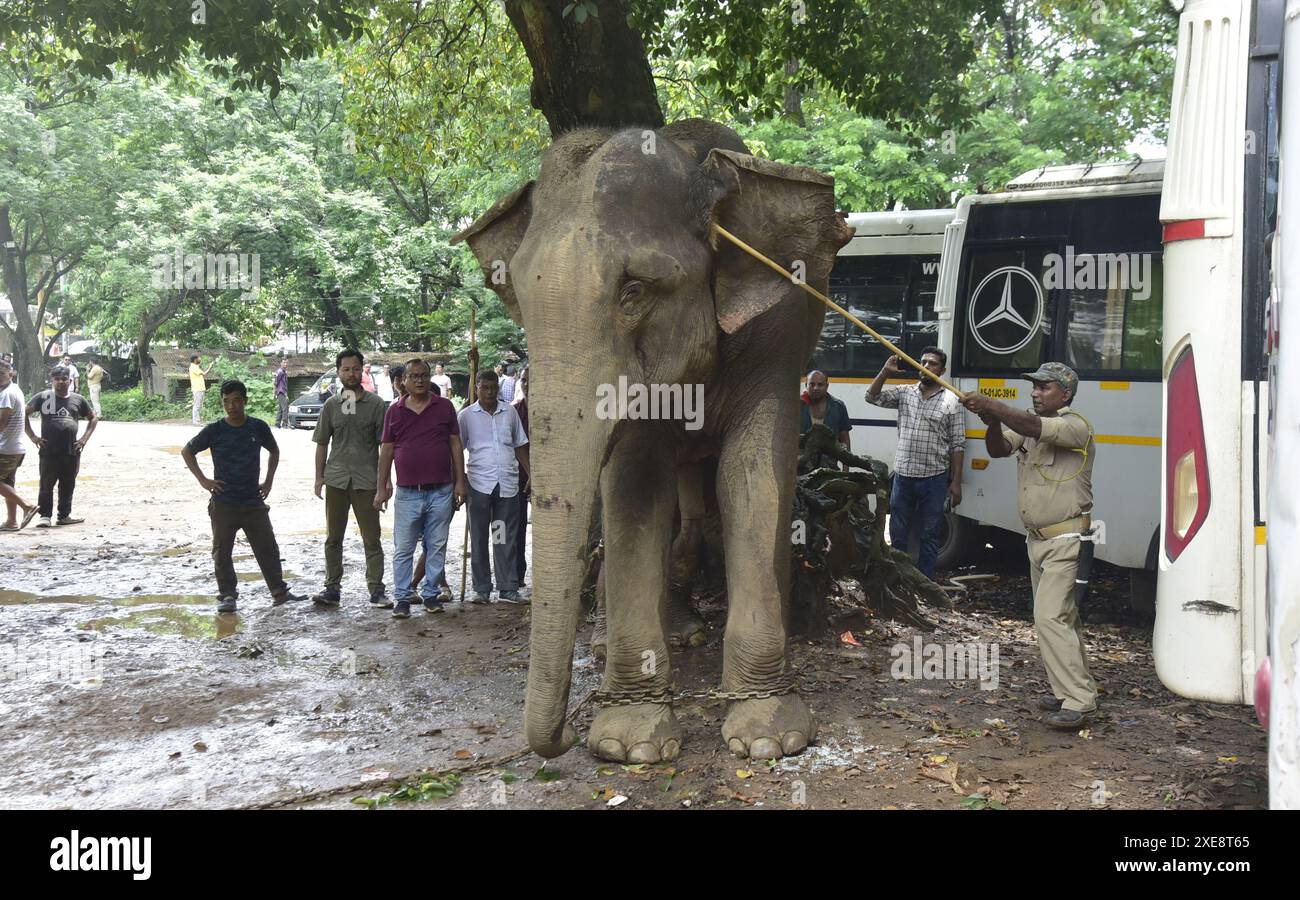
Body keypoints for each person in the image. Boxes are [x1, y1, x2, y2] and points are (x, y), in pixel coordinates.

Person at [961, 362, 1098, 730]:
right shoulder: (1028, 427)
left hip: (1067, 539)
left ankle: (1079, 702)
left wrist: (992, 405)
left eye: (1044, 387)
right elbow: (998, 449)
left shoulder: (1075, 426)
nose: (1035, 392)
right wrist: (991, 422)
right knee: (1062, 618)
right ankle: (1072, 689)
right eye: (1034, 387)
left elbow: (1032, 427)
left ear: (1065, 394)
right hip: (1037, 540)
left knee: (1050, 617)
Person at [181, 379, 303, 613]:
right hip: (223, 502)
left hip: (253, 501)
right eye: (226, 401)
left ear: (245, 401)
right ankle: (227, 595)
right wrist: (204, 481)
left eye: (236, 401)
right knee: (222, 552)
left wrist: (268, 481)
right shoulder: (215, 430)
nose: (231, 406)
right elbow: (187, 451)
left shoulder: (257, 427)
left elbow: (274, 451)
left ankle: (279, 592)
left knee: (267, 548)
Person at [375, 359, 468, 618]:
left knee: (436, 546)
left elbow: (455, 445)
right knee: (404, 548)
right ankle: (403, 598)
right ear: (403, 380)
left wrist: (460, 482)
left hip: (441, 490)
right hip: (407, 493)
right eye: (413, 376)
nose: (419, 380)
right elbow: (387, 450)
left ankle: (430, 595)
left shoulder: (444, 407)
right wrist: (382, 486)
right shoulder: (394, 411)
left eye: (424, 375)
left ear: (430, 378)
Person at [865, 347, 966, 579]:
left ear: (942, 370)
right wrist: (885, 372)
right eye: (923, 362)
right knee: (898, 533)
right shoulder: (905, 393)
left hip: (934, 478)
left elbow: (958, 444)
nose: (926, 366)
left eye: (933, 363)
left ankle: (925, 581)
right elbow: (871, 397)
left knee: (930, 534)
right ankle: (899, 580)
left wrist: (956, 482)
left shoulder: (952, 400)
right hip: (904, 476)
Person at [311, 349, 389, 608]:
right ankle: (332, 589)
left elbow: (385, 447)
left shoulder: (376, 405)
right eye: (346, 369)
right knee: (333, 538)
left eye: (356, 369)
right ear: (338, 372)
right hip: (336, 480)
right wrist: (318, 478)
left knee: (372, 538)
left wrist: (385, 482)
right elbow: (322, 443)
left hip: (366, 481)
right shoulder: (331, 405)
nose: (351, 374)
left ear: (362, 371)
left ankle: (376, 590)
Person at [458, 369, 530, 604]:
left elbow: (519, 445)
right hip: (479, 485)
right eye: (485, 388)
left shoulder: (509, 412)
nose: (489, 392)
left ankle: (507, 587)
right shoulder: (467, 416)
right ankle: (481, 588)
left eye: (493, 388)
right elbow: (456, 449)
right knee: (479, 538)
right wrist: (458, 480)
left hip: (506, 486)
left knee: (502, 537)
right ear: (476, 388)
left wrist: (530, 473)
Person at [25, 365, 97, 528]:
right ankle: (44, 516)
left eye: (64, 379)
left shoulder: (78, 399)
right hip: (48, 450)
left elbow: (93, 418)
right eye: (57, 379)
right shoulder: (43, 397)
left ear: (70, 381)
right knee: (46, 483)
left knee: (68, 483)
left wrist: (84, 439)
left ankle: (64, 515)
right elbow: (23, 413)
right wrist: (33, 437)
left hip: (71, 450)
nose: (60, 382)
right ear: (52, 381)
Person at [0, 359, 38, 530]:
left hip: (6, 448)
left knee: (5, 485)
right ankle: (12, 521)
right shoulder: (14, 389)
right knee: (8, 485)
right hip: (15, 447)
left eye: (1, 374)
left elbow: (1, 424)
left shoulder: (7, 394)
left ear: (11, 374)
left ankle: (27, 506)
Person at [799, 370, 852, 469]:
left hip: (829, 468)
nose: (816, 388)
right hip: (801, 468)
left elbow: (844, 439)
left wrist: (846, 469)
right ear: (806, 385)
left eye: (820, 385)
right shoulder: (797, 406)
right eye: (812, 384)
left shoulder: (838, 407)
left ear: (827, 386)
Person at [512, 365, 530, 589]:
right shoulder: (514, 411)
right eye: (524, 380)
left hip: (551, 478)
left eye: (531, 380)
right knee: (517, 528)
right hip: (519, 478)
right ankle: (517, 574)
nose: (527, 385)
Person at [189, 354, 217, 426]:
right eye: (198, 358)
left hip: (199, 389)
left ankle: (197, 420)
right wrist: (210, 366)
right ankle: (196, 422)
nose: (199, 359)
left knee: (198, 405)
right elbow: (204, 373)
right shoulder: (194, 367)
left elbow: (201, 370)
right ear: (195, 360)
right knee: (197, 405)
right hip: (197, 389)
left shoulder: (195, 366)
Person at [273, 357, 290, 429]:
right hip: (281, 392)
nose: (285, 364)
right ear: (281, 363)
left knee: (280, 408)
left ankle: (277, 423)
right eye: (284, 362)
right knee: (285, 408)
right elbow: (275, 383)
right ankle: (285, 424)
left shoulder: (284, 371)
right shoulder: (280, 372)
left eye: (286, 362)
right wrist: (274, 393)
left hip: (283, 392)